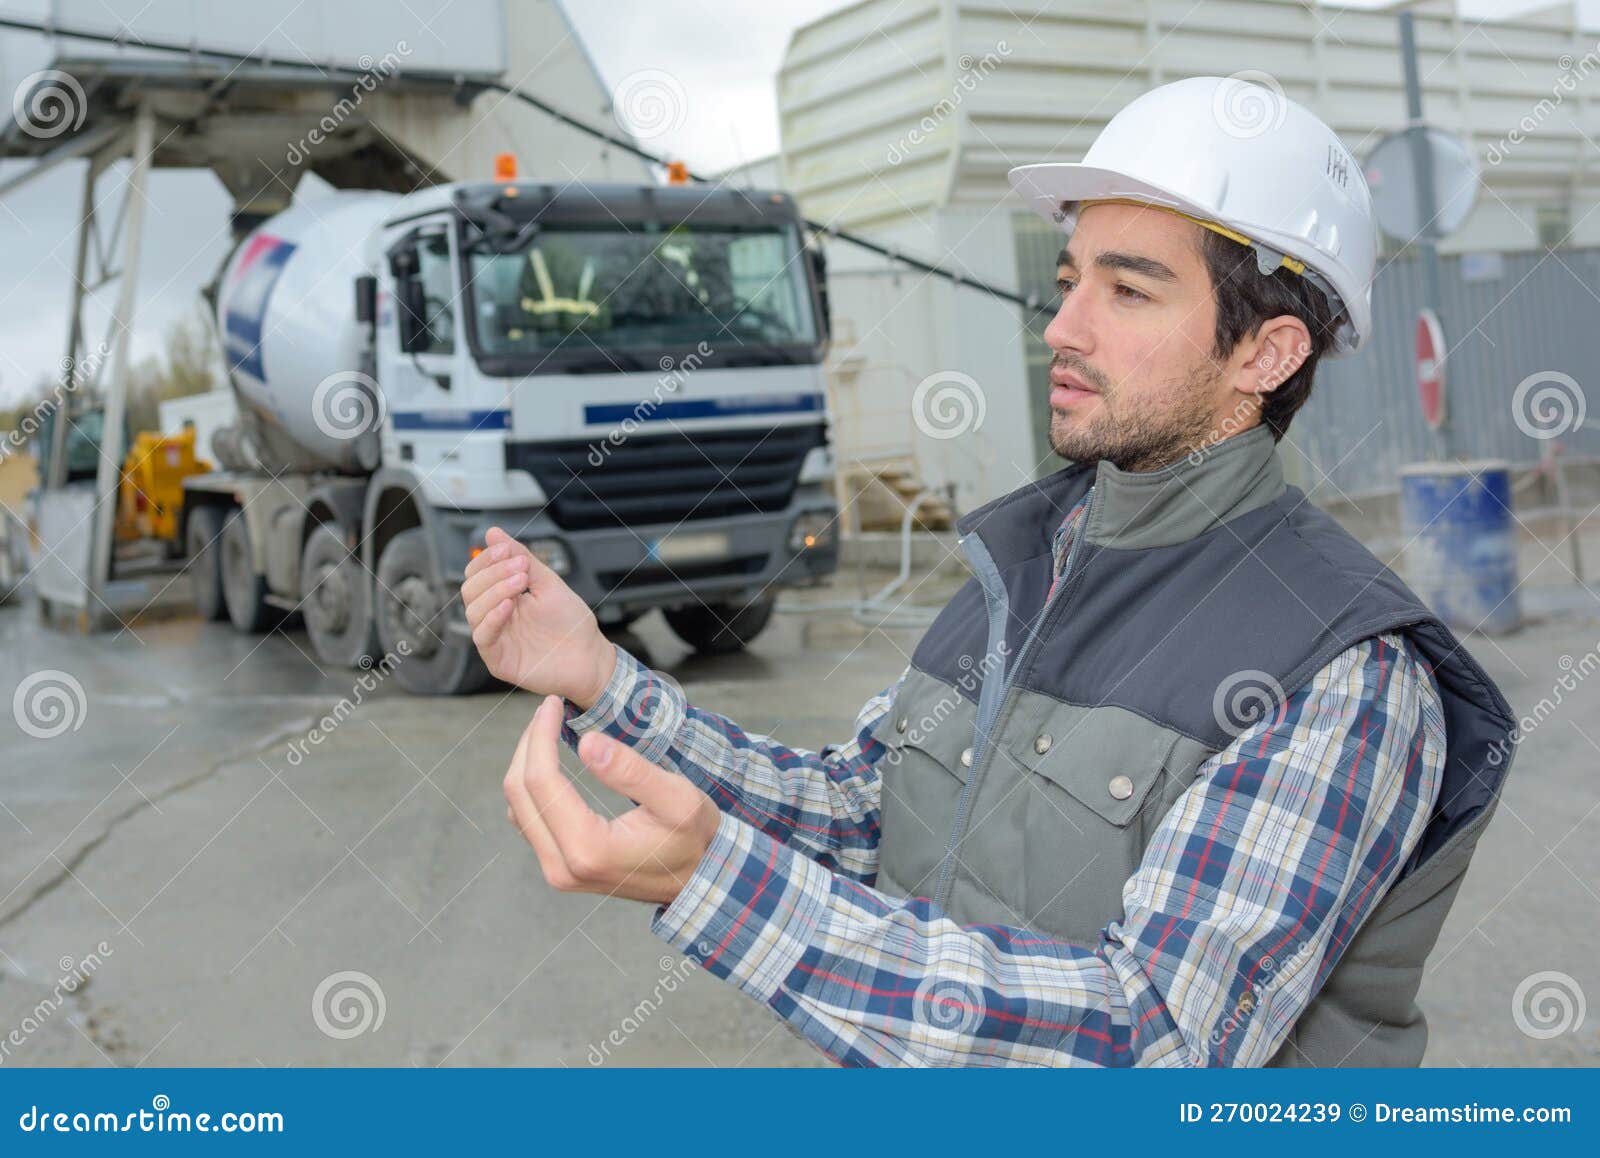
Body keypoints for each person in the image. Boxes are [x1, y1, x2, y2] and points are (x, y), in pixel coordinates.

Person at [460, 76, 1516, 1067]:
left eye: (1129, 292)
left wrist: (720, 886)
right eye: (1068, 283)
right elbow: (865, 817)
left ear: (1264, 356)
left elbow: (1153, 1038)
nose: (1060, 326)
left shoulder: (1340, 669)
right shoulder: (1032, 562)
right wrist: (601, 678)